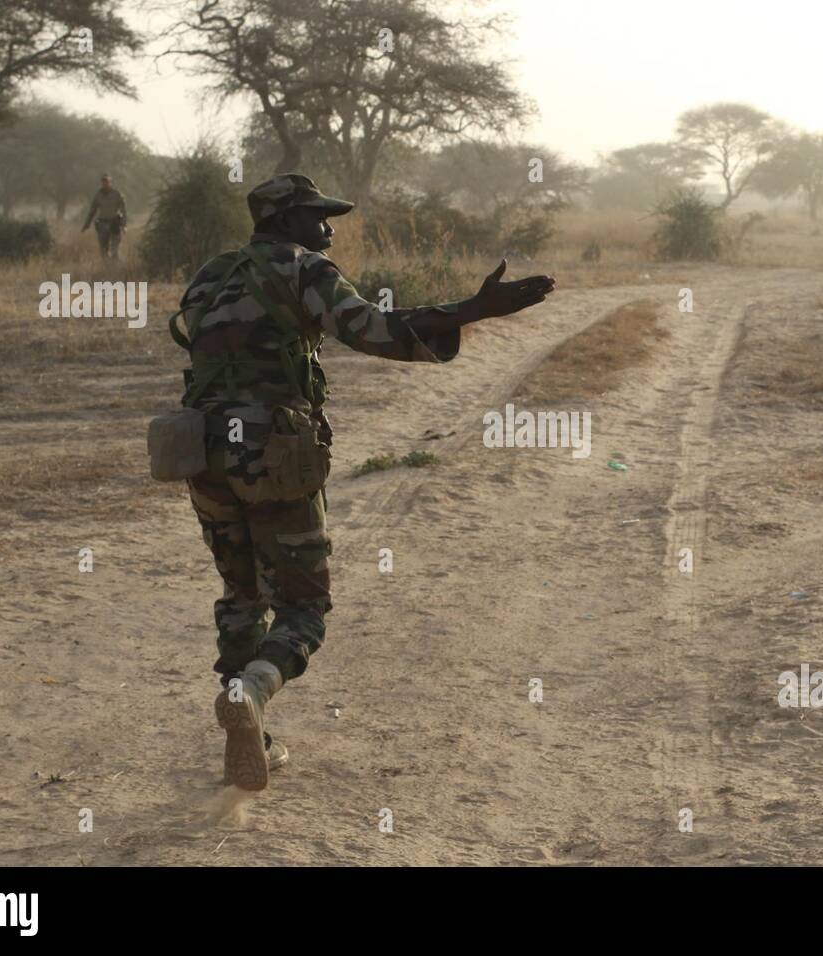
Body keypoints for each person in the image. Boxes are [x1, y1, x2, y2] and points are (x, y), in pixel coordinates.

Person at [172, 173, 555, 790]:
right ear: (285, 221)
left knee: (241, 593)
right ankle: (253, 692)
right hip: (272, 449)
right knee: (303, 606)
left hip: (200, 448)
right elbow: (372, 330)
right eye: (318, 218)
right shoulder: (303, 268)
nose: (328, 230)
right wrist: (473, 310)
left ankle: (252, 734)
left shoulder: (209, 274)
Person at [80, 173, 127, 258]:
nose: (105, 183)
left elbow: (124, 210)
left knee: (115, 250)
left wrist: (124, 225)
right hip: (102, 224)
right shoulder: (98, 195)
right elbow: (92, 212)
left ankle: (117, 269)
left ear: (110, 182)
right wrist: (86, 225)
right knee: (103, 250)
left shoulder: (117, 194)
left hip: (114, 223)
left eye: (107, 181)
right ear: (101, 183)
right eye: (103, 181)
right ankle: (107, 269)